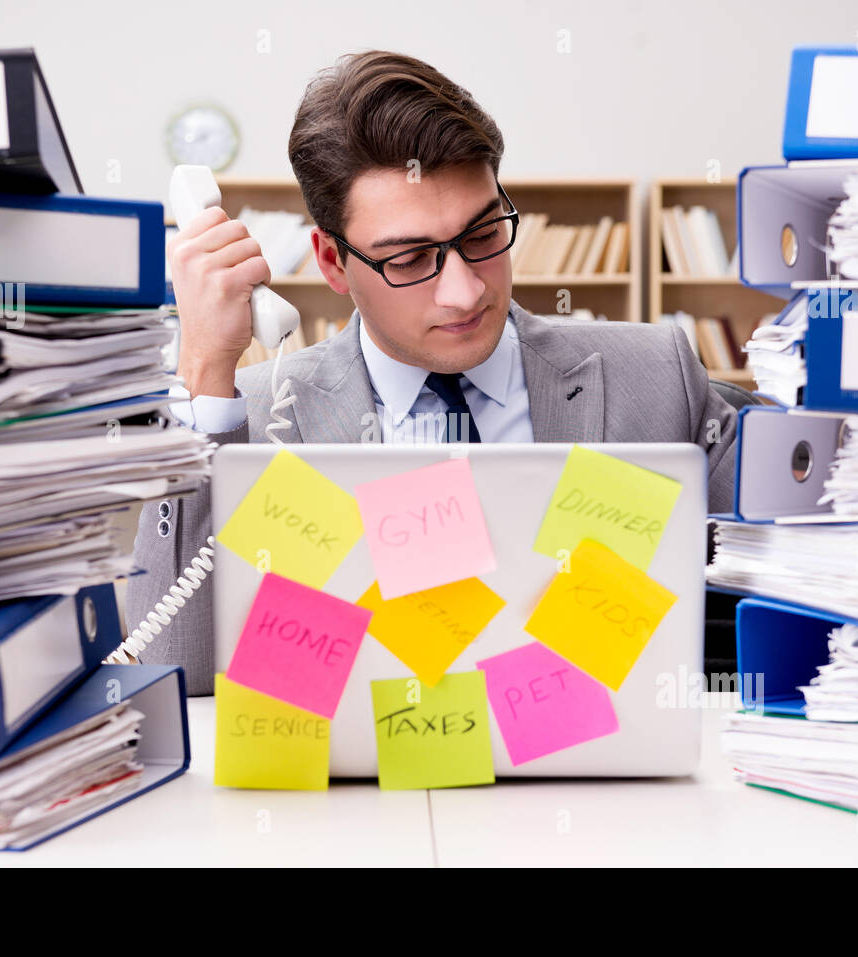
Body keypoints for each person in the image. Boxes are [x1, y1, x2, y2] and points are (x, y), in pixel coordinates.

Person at [127, 49, 739, 693]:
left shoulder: (658, 377)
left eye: (482, 235)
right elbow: (176, 675)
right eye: (412, 256)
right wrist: (203, 369)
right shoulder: (252, 420)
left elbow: (796, 608)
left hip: (609, 776)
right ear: (332, 265)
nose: (465, 291)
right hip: (358, 790)